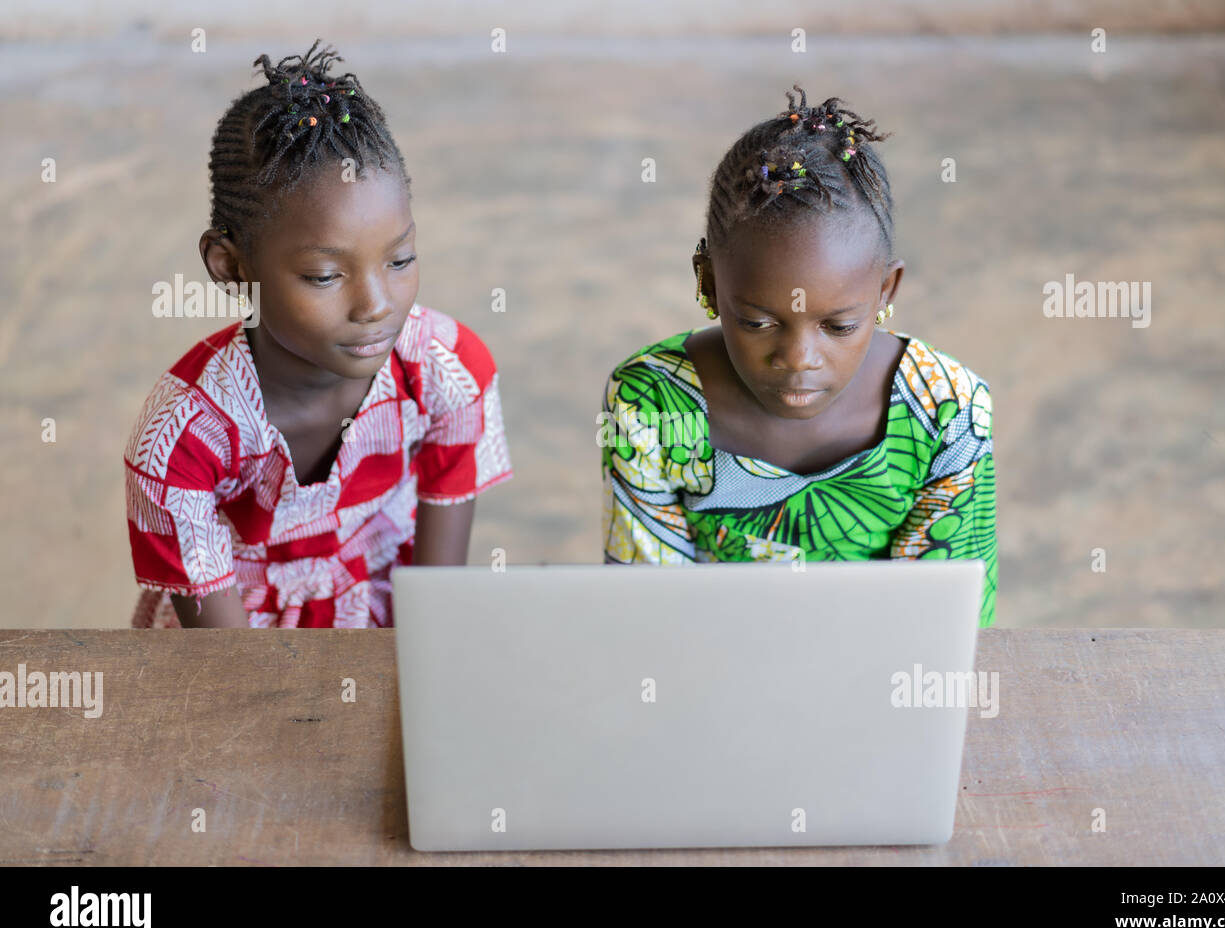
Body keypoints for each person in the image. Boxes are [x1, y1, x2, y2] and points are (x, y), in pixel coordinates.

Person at [124, 41, 511, 628]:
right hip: (235, 654)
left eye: (400, 259)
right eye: (325, 275)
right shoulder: (180, 442)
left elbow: (437, 619)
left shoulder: (447, 372)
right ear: (231, 267)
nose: (377, 306)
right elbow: (230, 680)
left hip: (392, 620)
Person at [600, 86, 997, 626]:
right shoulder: (650, 403)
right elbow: (644, 610)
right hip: (706, 670)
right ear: (709, 282)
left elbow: (946, 623)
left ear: (886, 292)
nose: (798, 358)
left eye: (839, 325)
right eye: (758, 322)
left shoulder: (948, 412)